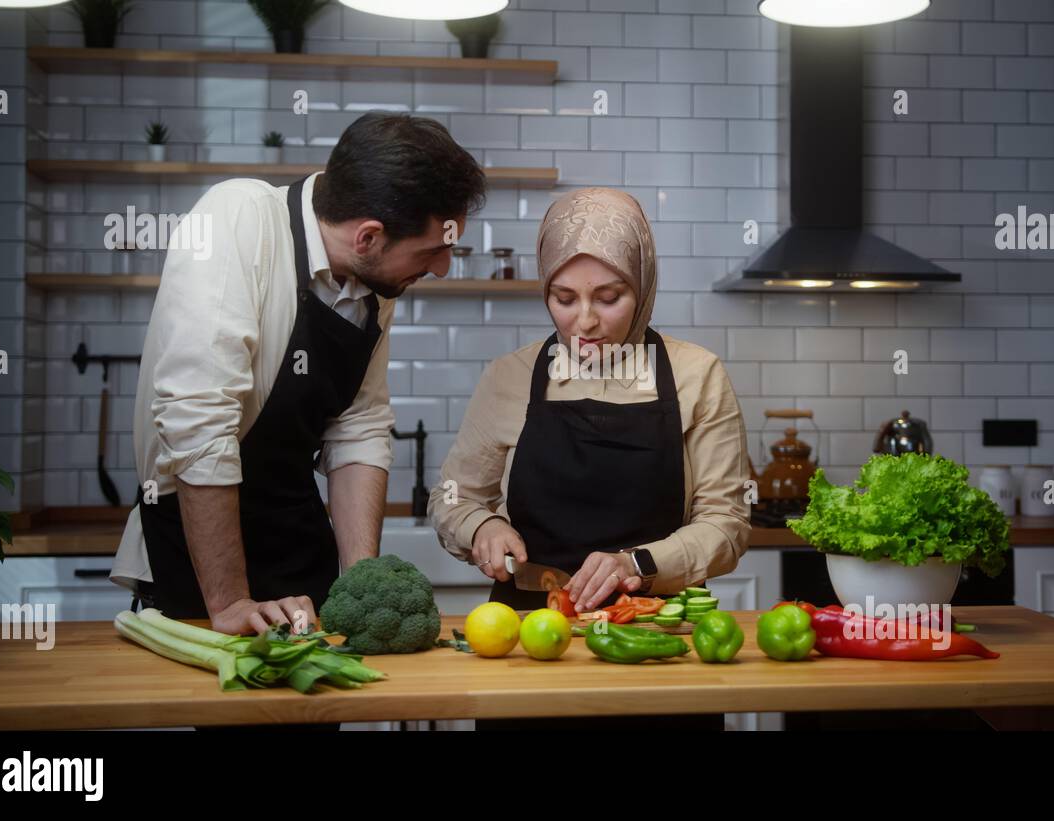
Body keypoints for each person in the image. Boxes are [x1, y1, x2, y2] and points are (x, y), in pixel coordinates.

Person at [111, 113, 487, 640]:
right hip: (196, 556)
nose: (443, 267)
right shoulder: (237, 218)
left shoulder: (373, 282)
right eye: (433, 251)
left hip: (299, 546)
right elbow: (198, 421)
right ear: (368, 237)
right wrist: (230, 601)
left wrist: (363, 588)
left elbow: (358, 427)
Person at [429, 187, 751, 618]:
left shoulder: (697, 374)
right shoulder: (510, 375)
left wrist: (637, 565)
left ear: (643, 285)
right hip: (530, 625)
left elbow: (727, 524)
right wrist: (481, 526)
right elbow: (452, 497)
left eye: (608, 298)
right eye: (564, 299)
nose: (585, 322)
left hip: (659, 624)